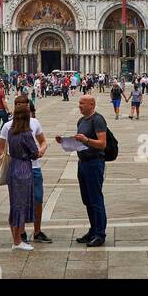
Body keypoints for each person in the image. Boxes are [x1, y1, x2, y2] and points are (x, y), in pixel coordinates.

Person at [56, 94, 107, 247]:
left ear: (92, 105)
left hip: (94, 163)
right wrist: (65, 141)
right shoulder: (81, 121)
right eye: (79, 103)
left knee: (96, 199)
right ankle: (93, 230)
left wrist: (87, 140)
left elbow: (102, 144)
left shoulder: (98, 119)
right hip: (83, 163)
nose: (79, 106)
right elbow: (79, 142)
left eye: (82, 103)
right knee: (87, 199)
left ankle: (100, 233)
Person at [2, 99, 39, 251]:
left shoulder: (11, 131)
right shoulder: (26, 133)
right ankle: (17, 241)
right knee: (20, 204)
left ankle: (16, 238)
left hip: (13, 167)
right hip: (24, 169)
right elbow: (34, 153)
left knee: (15, 204)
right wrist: (40, 151)